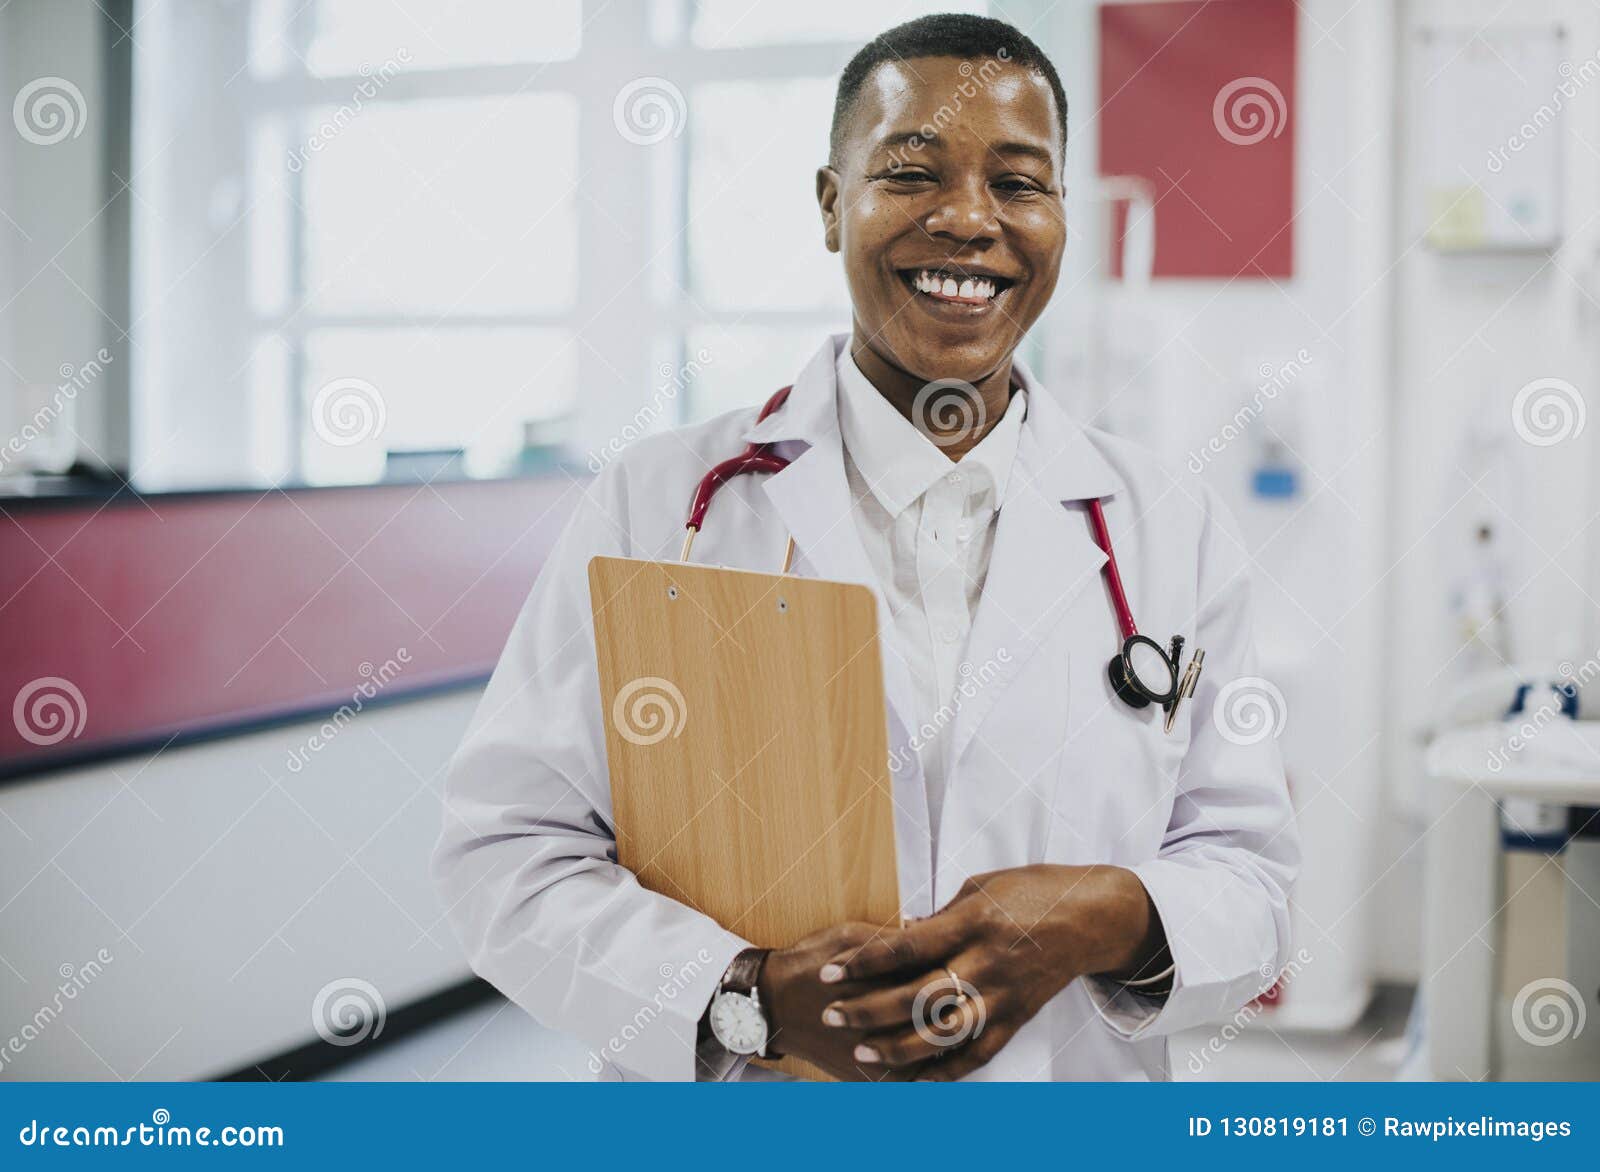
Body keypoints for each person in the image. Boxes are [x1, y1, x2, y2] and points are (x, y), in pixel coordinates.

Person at [434, 13, 1299, 1082]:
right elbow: (506, 854)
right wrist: (738, 993)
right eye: (909, 173)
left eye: (1020, 184)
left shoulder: (1167, 524)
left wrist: (1108, 916)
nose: (970, 220)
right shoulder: (661, 504)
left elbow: (1252, 876)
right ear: (831, 204)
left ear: (1062, 216)